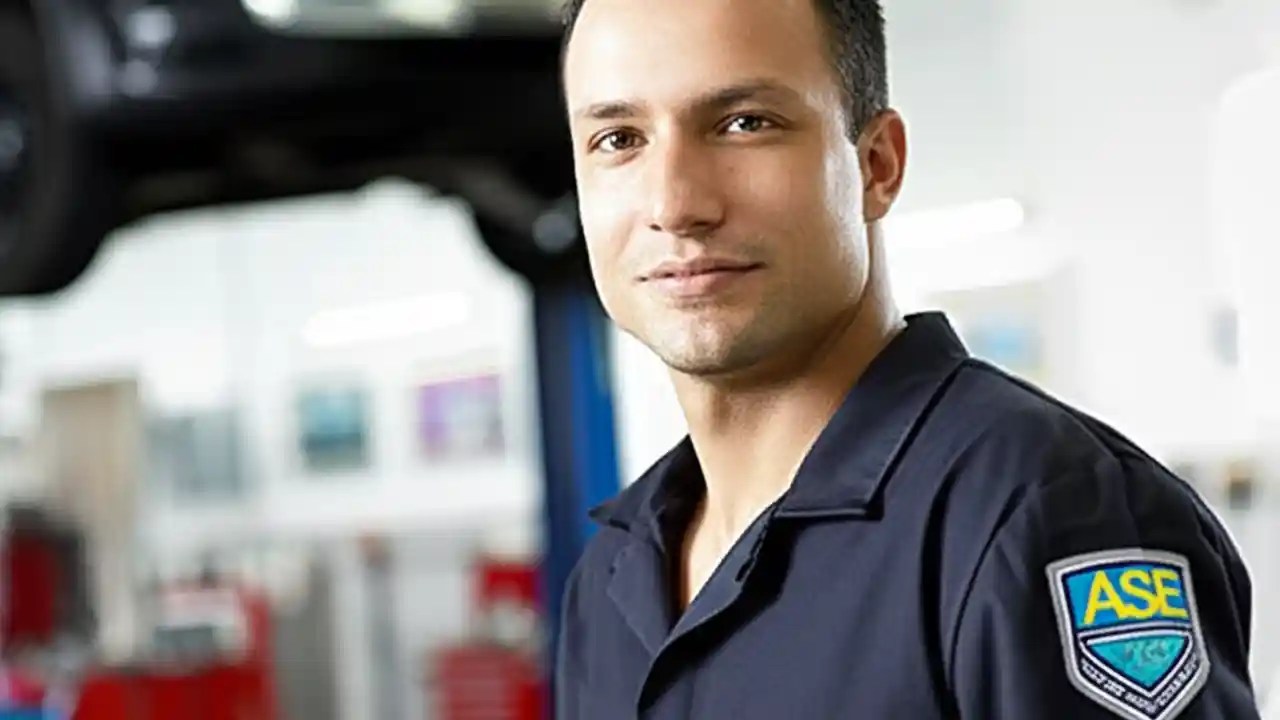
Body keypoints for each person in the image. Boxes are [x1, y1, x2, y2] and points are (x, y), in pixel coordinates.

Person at [553, 0, 1263, 717]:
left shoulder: (1046, 516)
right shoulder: (612, 578)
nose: (675, 203)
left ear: (876, 166)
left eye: (745, 124)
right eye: (618, 139)